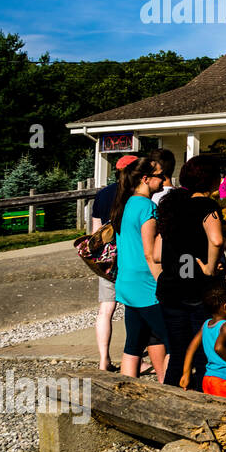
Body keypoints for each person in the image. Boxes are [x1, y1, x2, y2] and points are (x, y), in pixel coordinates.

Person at [155, 156, 226, 389]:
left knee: (177, 351)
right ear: (209, 179)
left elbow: (157, 253)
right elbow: (216, 240)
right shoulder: (207, 206)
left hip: (171, 285)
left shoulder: (171, 205)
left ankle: (171, 397)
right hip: (197, 287)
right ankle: (199, 395)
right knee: (201, 352)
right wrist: (209, 268)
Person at [112, 156, 169, 379]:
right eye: (160, 176)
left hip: (127, 281)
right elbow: (150, 251)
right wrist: (162, 282)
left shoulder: (126, 204)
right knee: (173, 339)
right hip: (146, 284)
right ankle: (174, 389)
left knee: (133, 343)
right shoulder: (147, 207)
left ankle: (125, 390)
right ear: (145, 179)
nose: (164, 180)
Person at [90, 154, 139, 372]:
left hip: (107, 259)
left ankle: (103, 360)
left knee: (105, 309)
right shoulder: (136, 195)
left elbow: (95, 233)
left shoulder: (102, 195)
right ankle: (134, 357)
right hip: (131, 257)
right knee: (136, 308)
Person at [180, 283, 226, 399]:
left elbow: (191, 348)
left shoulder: (206, 325)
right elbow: (219, 347)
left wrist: (186, 373)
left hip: (209, 378)